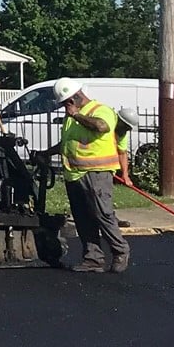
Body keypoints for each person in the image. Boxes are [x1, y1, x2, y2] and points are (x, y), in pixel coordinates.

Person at [53, 78, 129, 273]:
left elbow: (102, 126)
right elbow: (68, 142)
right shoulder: (71, 117)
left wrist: (76, 115)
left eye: (65, 104)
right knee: (83, 217)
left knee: (102, 214)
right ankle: (93, 258)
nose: (64, 108)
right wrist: (45, 153)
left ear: (72, 100)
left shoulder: (100, 110)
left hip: (97, 174)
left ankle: (120, 250)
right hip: (74, 175)